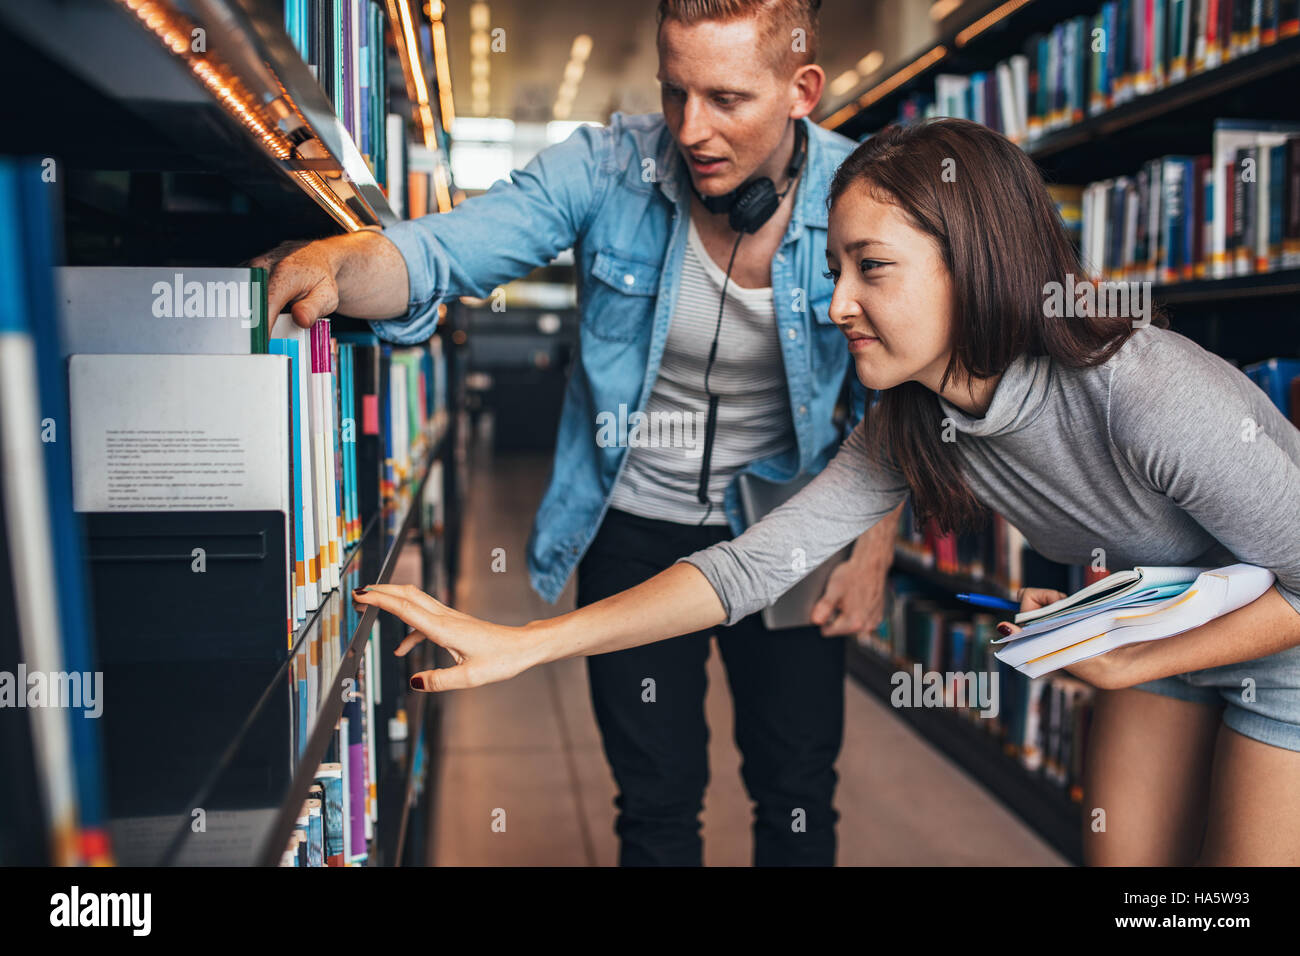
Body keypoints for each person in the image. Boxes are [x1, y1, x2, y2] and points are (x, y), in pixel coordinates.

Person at [354, 117, 1300, 866]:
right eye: (835, 264)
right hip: (1164, 629)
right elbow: (750, 566)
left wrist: (1130, 659)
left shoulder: (1144, 393)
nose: (833, 301)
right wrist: (527, 644)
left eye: (871, 268)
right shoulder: (914, 420)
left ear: (973, 264)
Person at [256, 0, 902, 866]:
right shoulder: (607, 167)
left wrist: (873, 548)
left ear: (802, 90)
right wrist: (341, 262)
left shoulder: (863, 191)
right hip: (632, 527)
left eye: (726, 99)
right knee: (655, 800)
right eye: (675, 93)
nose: (692, 129)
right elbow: (439, 253)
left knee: (795, 789)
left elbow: (903, 383)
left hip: (790, 529)